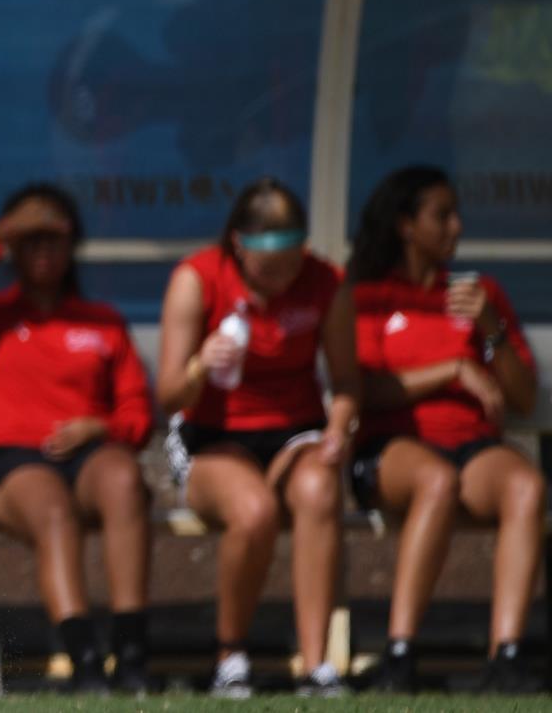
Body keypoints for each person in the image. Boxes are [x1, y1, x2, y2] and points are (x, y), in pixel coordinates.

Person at [0, 184, 155, 694]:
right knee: (53, 509)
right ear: (14, 247)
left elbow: (138, 412)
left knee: (123, 478)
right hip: (15, 463)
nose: (44, 250)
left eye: (55, 238)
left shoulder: (103, 321)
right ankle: (87, 662)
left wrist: (104, 426)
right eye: (31, 240)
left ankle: (134, 654)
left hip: (92, 455)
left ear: (74, 245)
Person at [334, 165, 541, 694]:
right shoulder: (367, 296)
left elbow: (521, 397)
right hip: (394, 448)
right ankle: (400, 654)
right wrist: (453, 369)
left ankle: (507, 656)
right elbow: (364, 387)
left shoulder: (480, 295)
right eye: (442, 215)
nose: (457, 227)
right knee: (436, 481)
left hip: (473, 446)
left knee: (526, 485)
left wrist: (490, 328)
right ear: (406, 225)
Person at [156, 178, 358, 697]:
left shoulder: (324, 283)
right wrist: (203, 363)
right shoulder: (198, 278)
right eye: (271, 269)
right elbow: (169, 395)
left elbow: (346, 382)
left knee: (319, 489)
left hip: (296, 429)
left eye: (293, 263)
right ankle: (231, 655)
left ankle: (317, 666)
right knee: (254, 511)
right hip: (214, 434)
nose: (283, 279)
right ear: (240, 246)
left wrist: (338, 430)